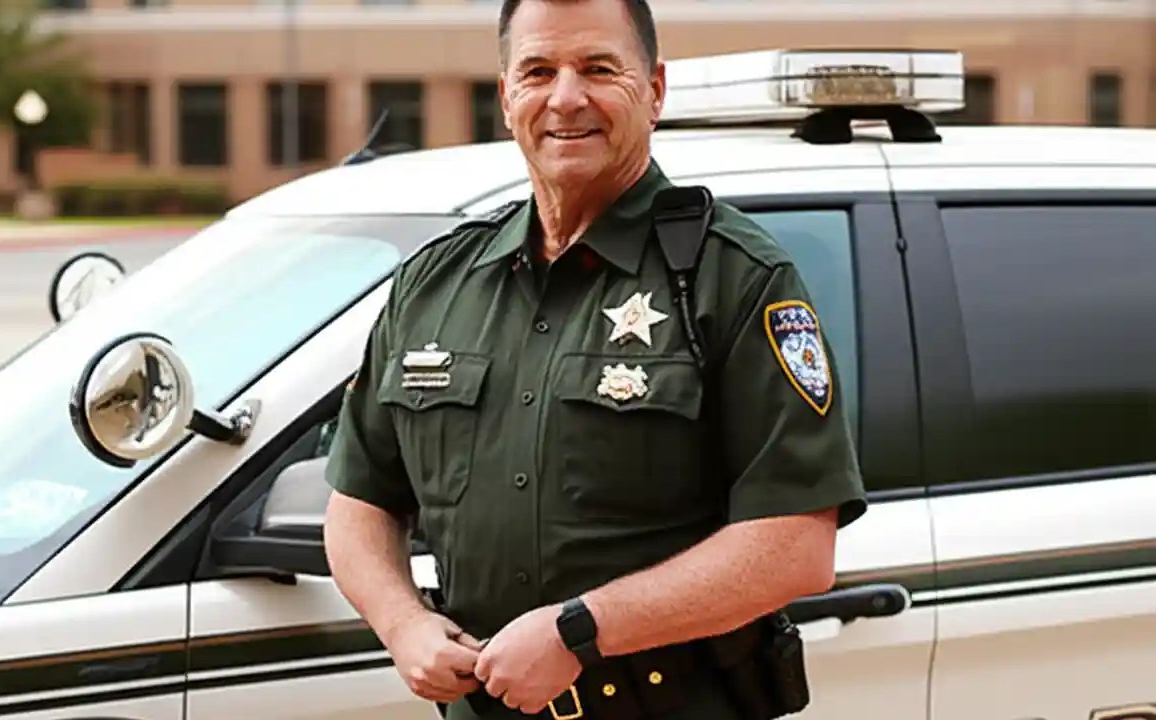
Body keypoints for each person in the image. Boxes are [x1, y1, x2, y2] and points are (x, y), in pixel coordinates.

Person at [322, 0, 868, 716]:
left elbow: (796, 544)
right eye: (539, 71)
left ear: (655, 90)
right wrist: (403, 624)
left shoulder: (732, 278)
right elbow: (359, 500)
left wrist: (578, 630)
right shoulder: (436, 284)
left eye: (599, 69)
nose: (566, 97)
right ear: (506, 94)